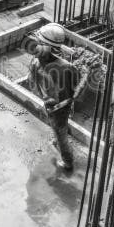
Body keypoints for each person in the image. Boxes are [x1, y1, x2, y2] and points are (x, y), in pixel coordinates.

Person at [28, 23, 85, 171]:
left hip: (55, 106)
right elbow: (76, 83)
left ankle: (68, 162)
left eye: (40, 42)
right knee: (58, 127)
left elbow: (32, 83)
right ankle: (57, 137)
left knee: (61, 135)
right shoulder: (66, 66)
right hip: (59, 105)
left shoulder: (36, 61)